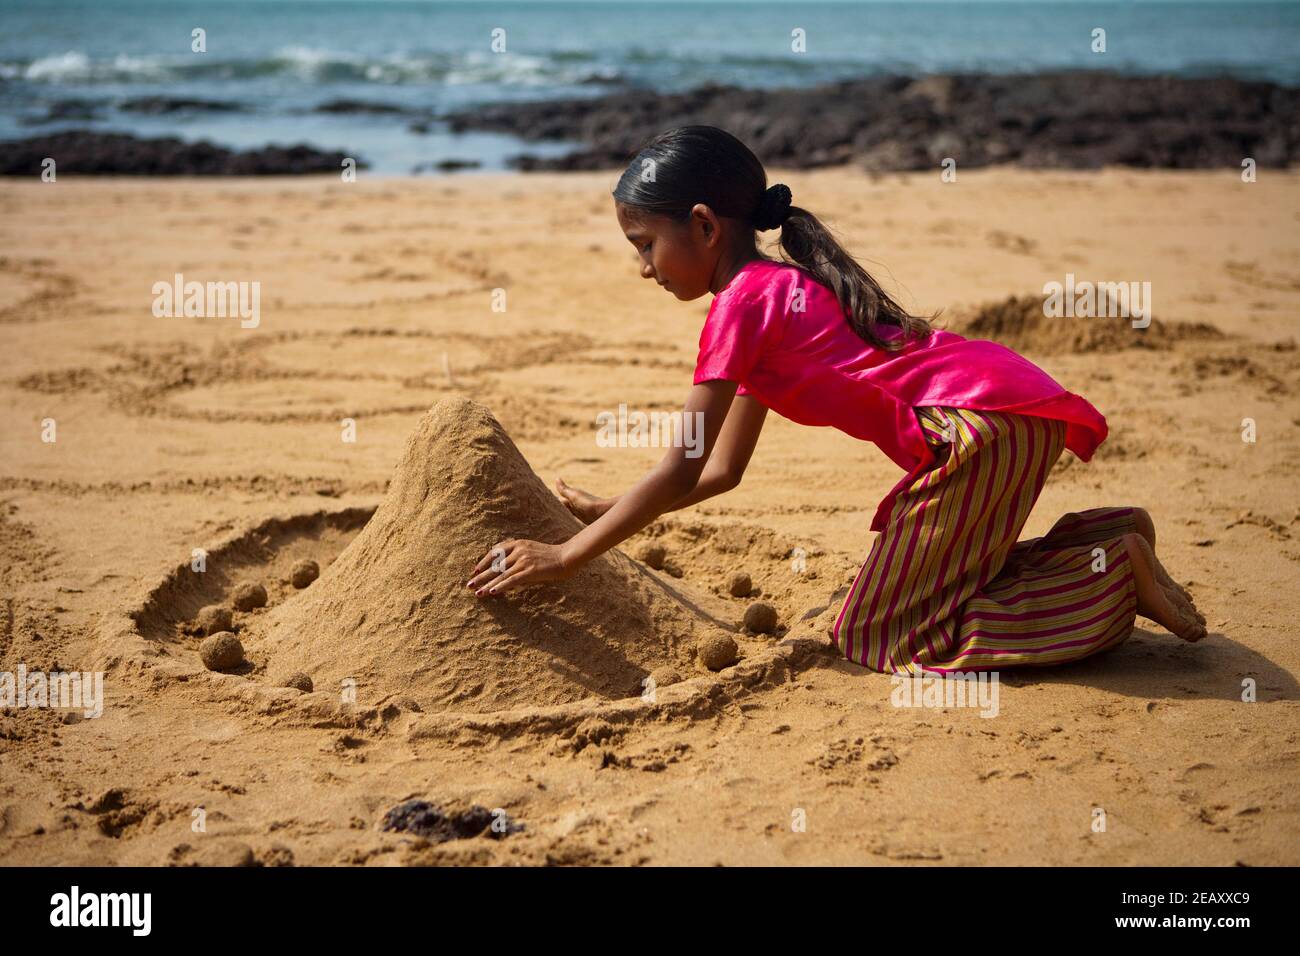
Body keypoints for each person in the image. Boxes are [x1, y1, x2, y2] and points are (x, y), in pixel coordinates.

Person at [466, 125, 1206, 673]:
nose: (642, 267)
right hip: (1001, 413)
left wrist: (565, 555)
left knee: (881, 635)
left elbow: (682, 465)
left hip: (971, 435)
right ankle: (1106, 541)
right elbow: (721, 471)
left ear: (703, 225)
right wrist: (612, 510)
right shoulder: (779, 287)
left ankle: (1108, 582)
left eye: (643, 243)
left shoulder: (740, 308)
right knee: (940, 588)